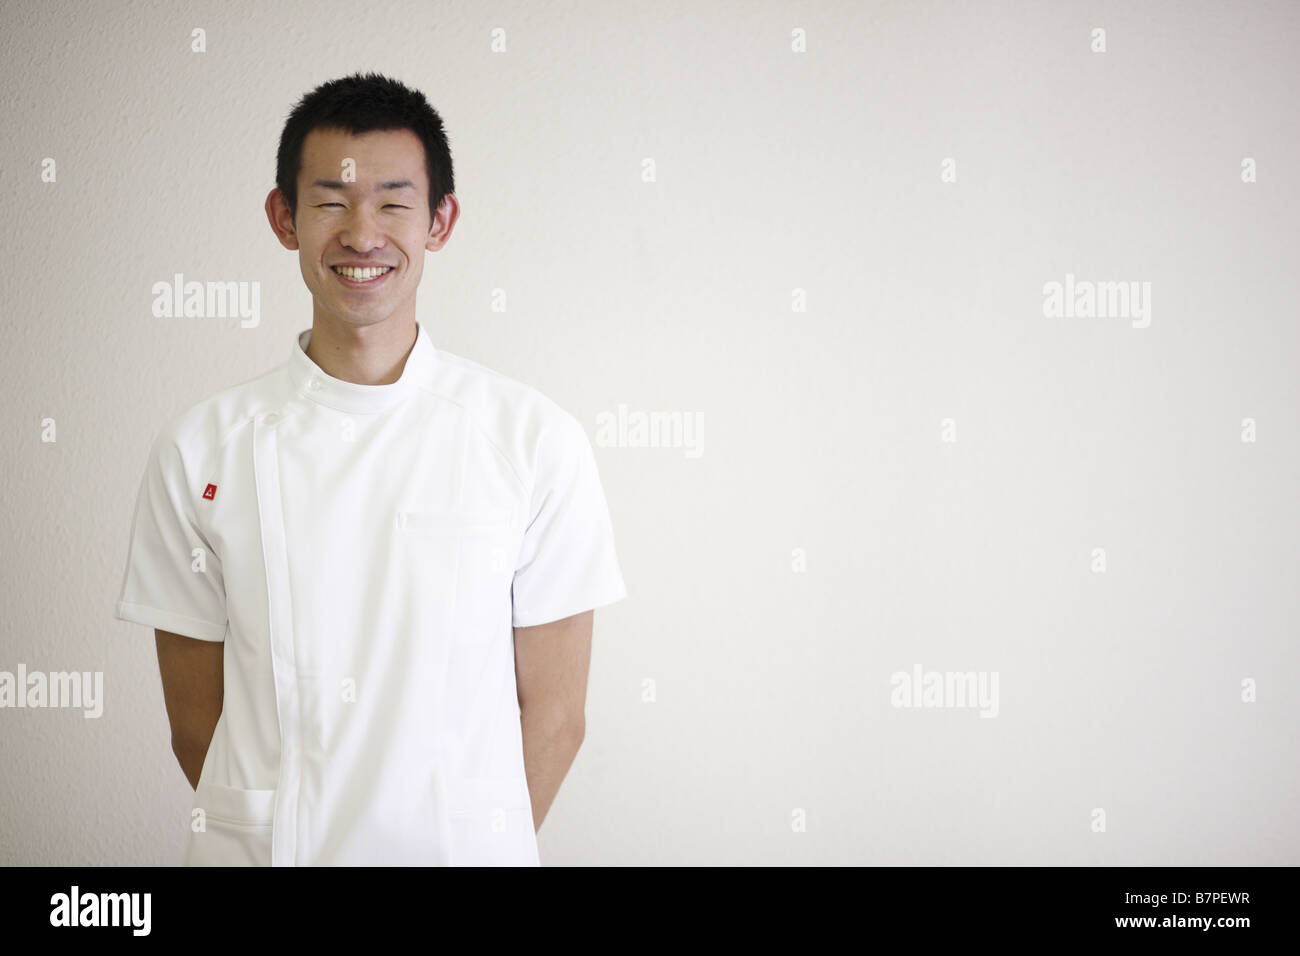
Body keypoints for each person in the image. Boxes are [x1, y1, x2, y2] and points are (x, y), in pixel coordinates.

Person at [113, 72, 628, 866]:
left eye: (393, 201)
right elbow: (195, 728)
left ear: (440, 221)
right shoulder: (200, 449)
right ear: (284, 218)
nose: (362, 234)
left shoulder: (531, 441)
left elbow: (556, 718)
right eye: (330, 201)